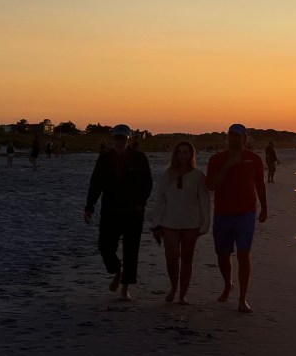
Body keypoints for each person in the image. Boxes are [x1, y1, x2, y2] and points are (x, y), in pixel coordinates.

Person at [84, 124, 153, 301]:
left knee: (131, 250)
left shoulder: (139, 158)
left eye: (123, 138)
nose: (120, 141)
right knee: (105, 247)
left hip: (133, 211)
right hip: (110, 209)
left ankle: (125, 288)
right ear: (113, 139)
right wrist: (89, 207)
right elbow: (95, 184)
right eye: (117, 138)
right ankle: (117, 270)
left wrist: (140, 203)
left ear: (128, 139)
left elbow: (148, 184)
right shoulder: (105, 158)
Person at [206, 123, 269, 313]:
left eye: (238, 136)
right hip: (223, 213)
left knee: (243, 254)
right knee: (223, 255)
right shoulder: (216, 159)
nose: (233, 139)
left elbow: (259, 184)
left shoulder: (254, 159)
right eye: (231, 135)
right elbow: (211, 185)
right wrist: (228, 165)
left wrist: (264, 208)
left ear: (245, 139)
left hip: (246, 214)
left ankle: (243, 298)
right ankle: (228, 284)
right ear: (227, 138)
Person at [150, 141, 211, 304]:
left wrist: (206, 223)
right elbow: (159, 201)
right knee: (171, 259)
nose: (182, 155)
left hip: (191, 224)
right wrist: (156, 224)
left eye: (186, 152)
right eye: (180, 152)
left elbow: (204, 200)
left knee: (187, 259)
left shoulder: (198, 176)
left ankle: (183, 293)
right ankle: (173, 286)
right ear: (175, 154)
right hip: (169, 223)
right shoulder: (167, 175)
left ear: (191, 155)